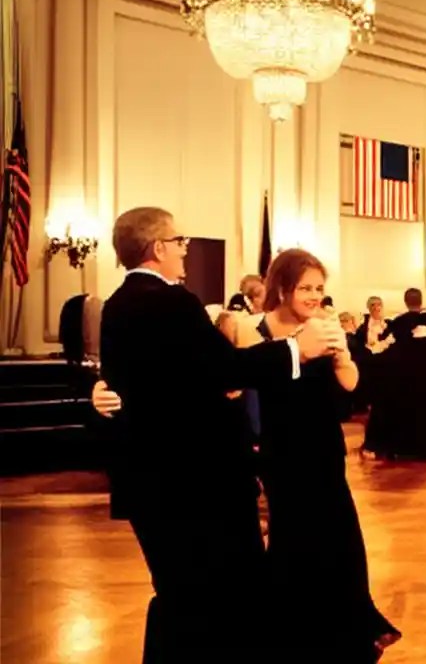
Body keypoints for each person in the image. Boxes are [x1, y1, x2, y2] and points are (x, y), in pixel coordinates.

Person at [96, 207, 336, 663]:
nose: (185, 248)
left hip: (149, 479)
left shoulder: (116, 305)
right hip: (197, 481)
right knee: (221, 589)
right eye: (179, 240)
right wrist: (294, 351)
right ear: (158, 248)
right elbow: (222, 368)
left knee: (175, 591)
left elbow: (139, 382)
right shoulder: (172, 301)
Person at [252, 249, 400, 661]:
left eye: (319, 288)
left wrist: (341, 355)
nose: (315, 296)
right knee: (291, 536)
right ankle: (295, 626)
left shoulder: (326, 325)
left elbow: (351, 384)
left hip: (322, 446)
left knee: (339, 537)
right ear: (282, 287)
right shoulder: (256, 330)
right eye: (306, 288)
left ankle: (345, 623)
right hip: (280, 449)